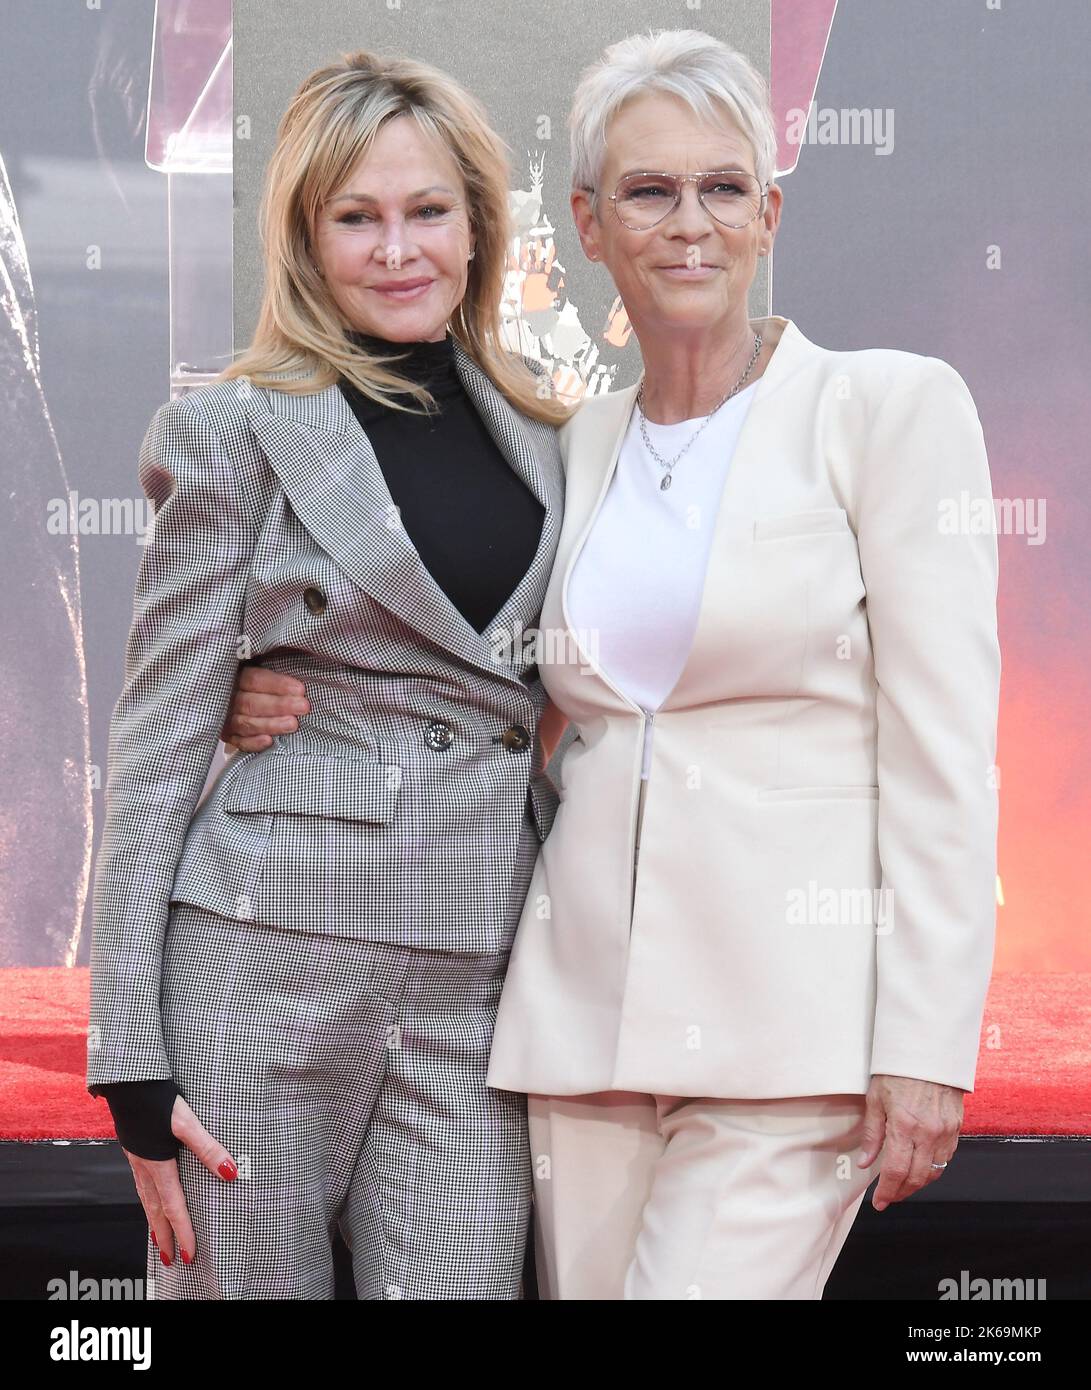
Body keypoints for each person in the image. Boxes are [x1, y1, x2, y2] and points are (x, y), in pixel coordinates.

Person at [221, 31, 1001, 1299]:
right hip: (579, 1036)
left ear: (769, 213)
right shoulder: (558, 446)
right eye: (647, 191)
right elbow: (471, 683)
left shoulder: (885, 409)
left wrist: (927, 1041)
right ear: (587, 222)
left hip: (791, 1037)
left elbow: (943, 754)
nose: (688, 223)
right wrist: (255, 702)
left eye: (722, 187)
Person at [86, 48, 571, 1299]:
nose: (395, 247)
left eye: (426, 212)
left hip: (476, 973)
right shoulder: (234, 428)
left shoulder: (557, 438)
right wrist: (126, 1048)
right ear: (304, 239)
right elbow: (151, 754)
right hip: (261, 962)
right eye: (355, 217)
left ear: (477, 225)